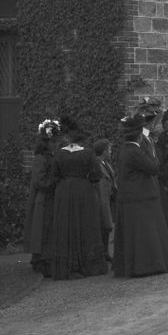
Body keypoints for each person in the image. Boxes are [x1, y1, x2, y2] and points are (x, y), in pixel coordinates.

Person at [111, 115, 168, 278]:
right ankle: (148, 265)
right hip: (141, 196)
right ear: (139, 135)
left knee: (134, 234)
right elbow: (153, 167)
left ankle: (136, 265)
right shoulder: (135, 151)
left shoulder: (124, 149)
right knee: (146, 233)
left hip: (130, 196)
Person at [42, 120, 109, 280]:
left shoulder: (59, 153)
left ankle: (67, 266)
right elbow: (96, 175)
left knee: (66, 226)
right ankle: (88, 265)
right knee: (85, 225)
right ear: (83, 140)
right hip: (83, 191)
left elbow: (54, 175)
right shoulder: (87, 153)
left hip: (63, 192)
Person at [23, 118, 60, 275]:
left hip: (48, 198)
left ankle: (44, 259)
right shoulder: (41, 158)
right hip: (43, 199)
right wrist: (55, 182)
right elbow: (40, 181)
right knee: (43, 229)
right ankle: (42, 261)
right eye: (53, 141)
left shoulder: (48, 157)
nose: (56, 144)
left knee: (47, 229)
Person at [93, 137, 117, 262]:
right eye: (109, 149)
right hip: (103, 199)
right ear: (104, 151)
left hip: (109, 198)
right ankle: (102, 254)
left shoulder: (105, 163)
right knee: (104, 226)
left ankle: (105, 252)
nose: (111, 152)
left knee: (107, 226)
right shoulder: (98, 165)